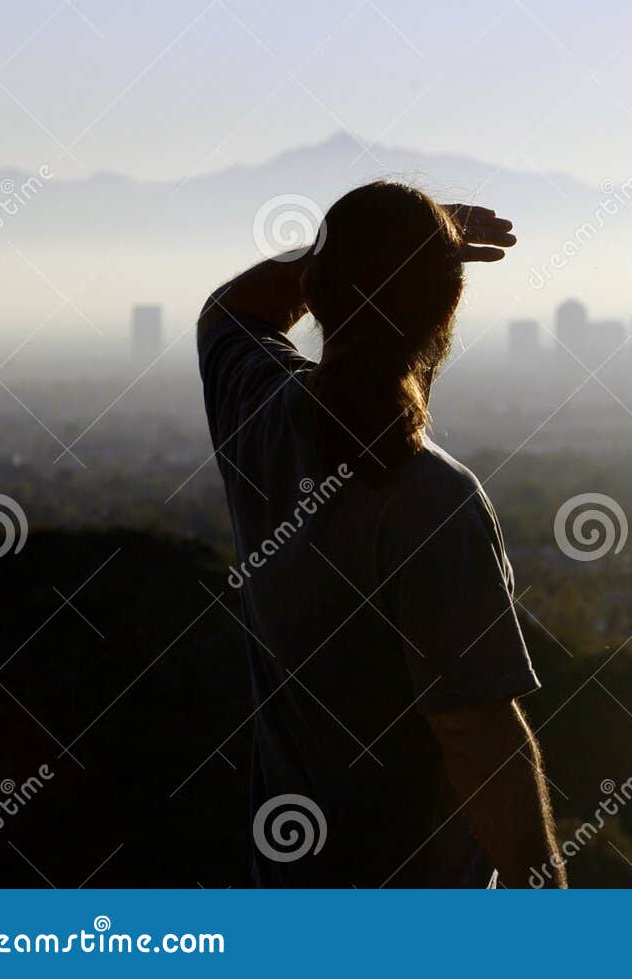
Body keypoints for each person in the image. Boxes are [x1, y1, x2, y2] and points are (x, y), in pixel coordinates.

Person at [196, 181, 564, 887]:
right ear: (446, 314)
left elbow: (231, 311)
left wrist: (347, 255)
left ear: (315, 288)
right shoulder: (435, 501)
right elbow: (479, 739)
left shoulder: (258, 420)